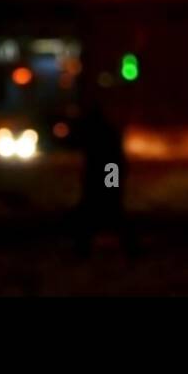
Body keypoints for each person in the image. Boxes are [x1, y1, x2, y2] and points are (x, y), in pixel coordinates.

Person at [73, 101, 136, 258]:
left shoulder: (99, 134)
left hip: (105, 175)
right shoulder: (107, 132)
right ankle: (129, 247)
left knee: (101, 213)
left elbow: (109, 163)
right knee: (109, 213)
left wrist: (111, 185)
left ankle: (83, 250)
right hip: (106, 175)